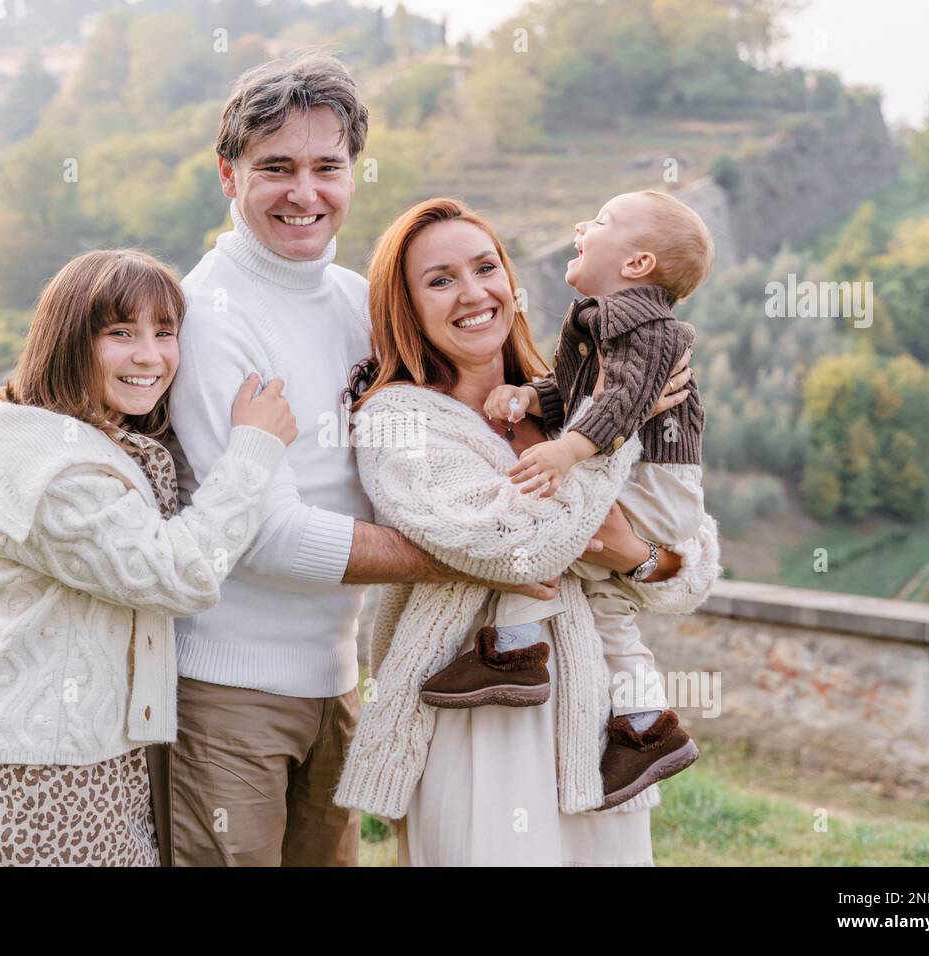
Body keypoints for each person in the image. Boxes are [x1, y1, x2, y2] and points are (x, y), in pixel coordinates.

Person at [154, 52, 693, 866]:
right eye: (276, 169)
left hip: (338, 680)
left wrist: (637, 551)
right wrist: (483, 556)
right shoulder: (211, 319)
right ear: (228, 175)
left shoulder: (352, 308)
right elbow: (261, 534)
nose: (306, 193)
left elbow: (669, 554)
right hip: (235, 685)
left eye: (327, 167)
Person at [332, 198, 722, 865]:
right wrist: (614, 434)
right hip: (478, 727)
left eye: (485, 267)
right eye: (440, 279)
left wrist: (639, 555)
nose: (473, 292)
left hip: (600, 732)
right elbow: (518, 547)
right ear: (406, 306)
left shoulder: (567, 399)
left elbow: (692, 569)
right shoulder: (398, 421)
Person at [0, 249, 295, 866]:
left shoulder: (106, 439)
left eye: (164, 332)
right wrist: (253, 452)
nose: (148, 355)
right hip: (40, 772)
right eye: (120, 333)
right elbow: (175, 575)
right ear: (68, 341)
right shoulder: (49, 463)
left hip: (99, 756)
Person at [430, 190, 717, 809]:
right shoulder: (596, 318)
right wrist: (532, 399)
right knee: (609, 607)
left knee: (541, 523)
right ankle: (646, 726)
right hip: (646, 493)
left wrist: (567, 451)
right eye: (441, 280)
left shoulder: (645, 325)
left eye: (602, 222)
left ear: (637, 264)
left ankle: (515, 650)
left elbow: (623, 400)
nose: (583, 227)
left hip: (656, 489)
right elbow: (574, 390)